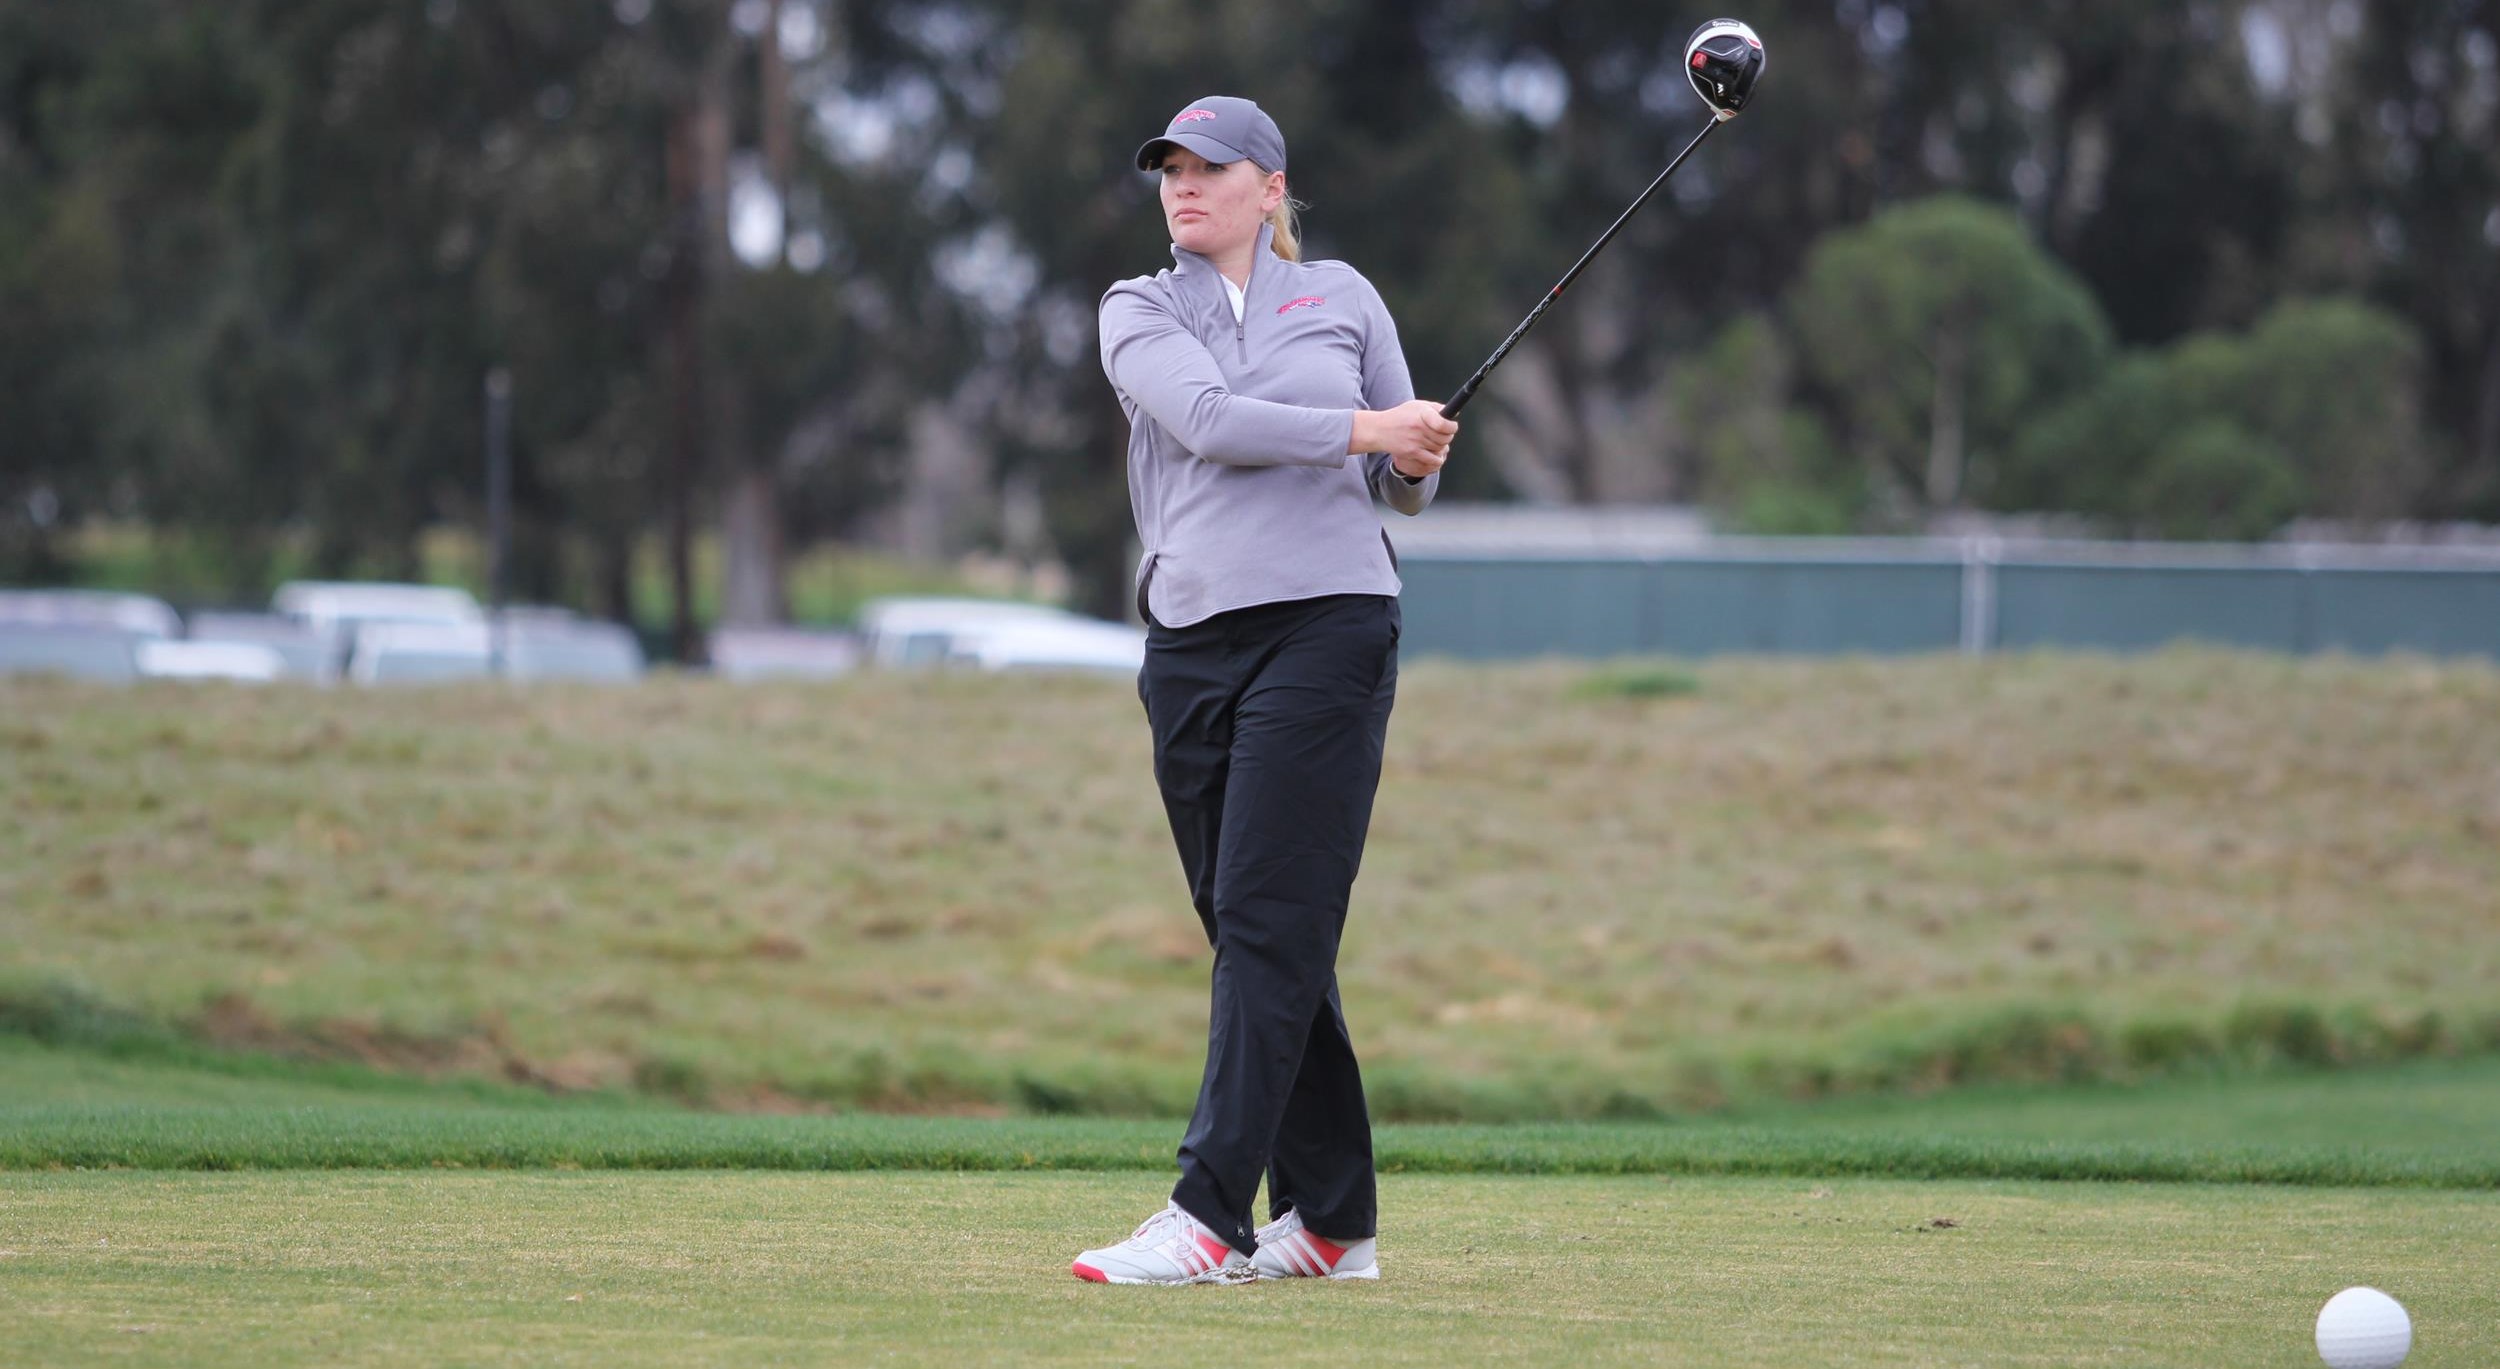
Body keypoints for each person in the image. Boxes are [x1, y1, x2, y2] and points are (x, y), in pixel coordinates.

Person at [1069, 95, 1457, 1286]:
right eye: (1170, 170)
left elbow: (1405, 485)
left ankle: (1207, 1209)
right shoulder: (1137, 308)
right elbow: (1208, 422)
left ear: (1269, 187)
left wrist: (1409, 458)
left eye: (1210, 168)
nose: (1183, 186)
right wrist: (1367, 427)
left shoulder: (1342, 297)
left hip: (1331, 624)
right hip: (1190, 637)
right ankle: (1334, 1220)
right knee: (1252, 925)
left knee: (1269, 917)